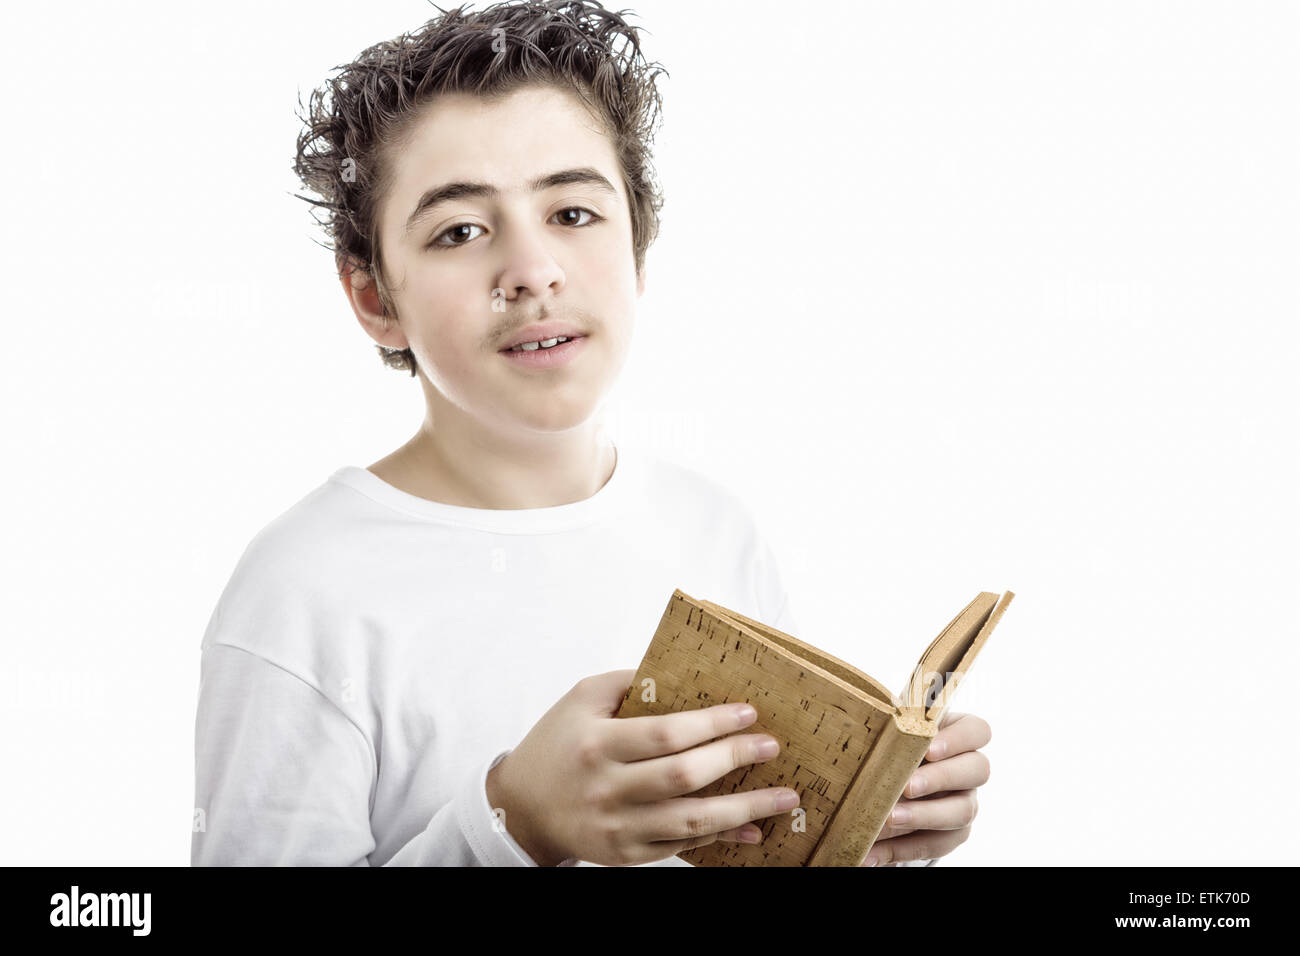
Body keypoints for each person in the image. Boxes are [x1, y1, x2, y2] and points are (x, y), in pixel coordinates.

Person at [191, 0, 990, 867]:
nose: (533, 271)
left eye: (572, 213)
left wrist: (860, 837)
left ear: (638, 250)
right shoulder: (303, 591)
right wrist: (509, 825)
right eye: (460, 230)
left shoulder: (715, 529)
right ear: (376, 299)